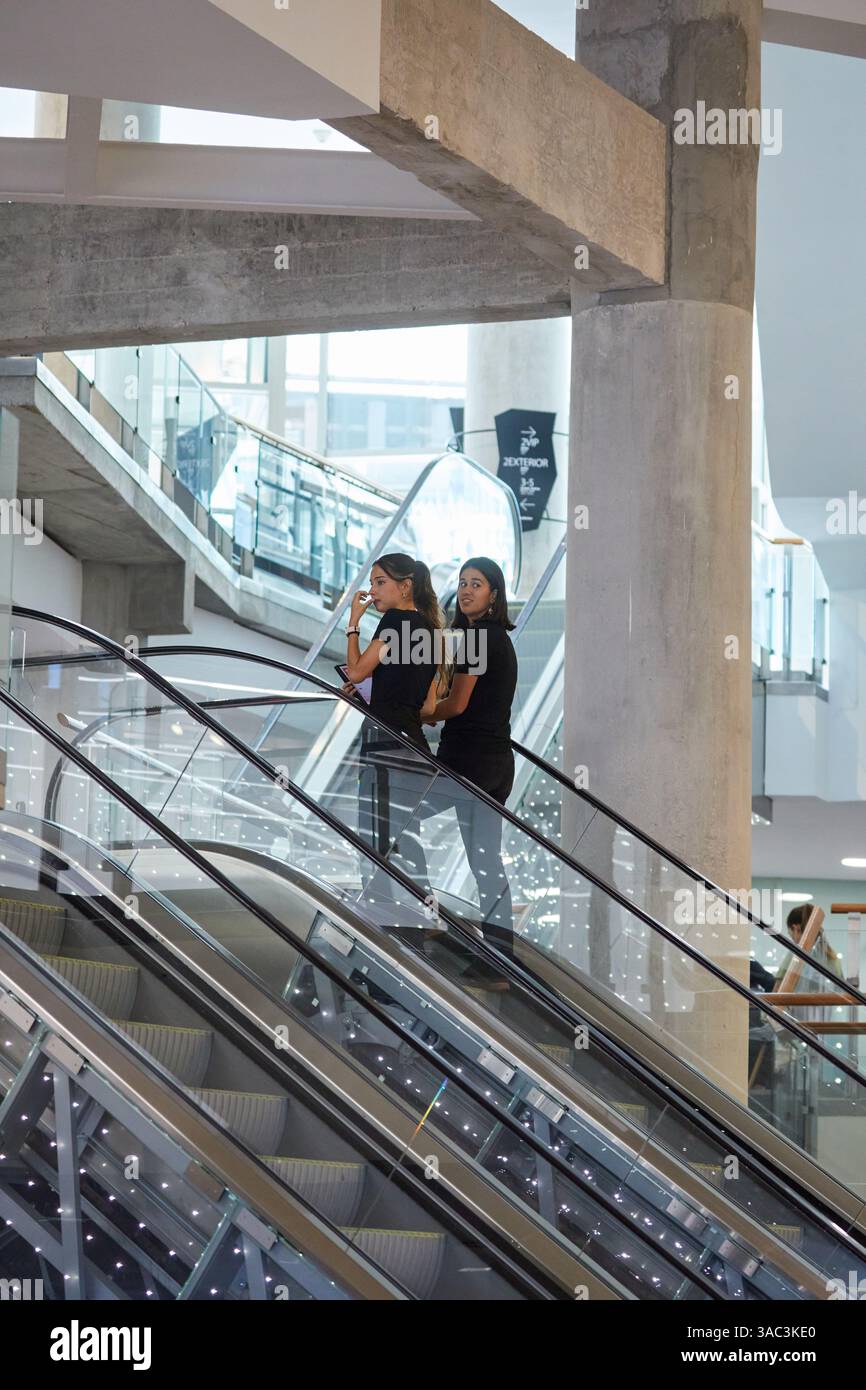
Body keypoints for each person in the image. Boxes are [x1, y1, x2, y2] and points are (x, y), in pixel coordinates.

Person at [424, 557, 518, 981]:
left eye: (476, 584)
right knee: (485, 861)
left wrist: (425, 714)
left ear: (493, 594)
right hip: (496, 763)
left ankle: (414, 915)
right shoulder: (497, 639)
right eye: (462, 583)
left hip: (469, 763)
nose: (465, 591)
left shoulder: (479, 637)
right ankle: (501, 956)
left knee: (394, 816)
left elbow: (458, 705)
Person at [343, 552, 444, 917]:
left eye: (379, 582)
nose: (373, 591)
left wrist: (353, 624)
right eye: (371, 583)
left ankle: (381, 917)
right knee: (406, 838)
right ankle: (430, 918)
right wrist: (383, 689)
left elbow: (355, 672)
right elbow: (428, 708)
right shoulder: (433, 632)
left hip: (386, 744)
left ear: (405, 587)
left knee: (372, 836)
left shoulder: (393, 622)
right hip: (413, 746)